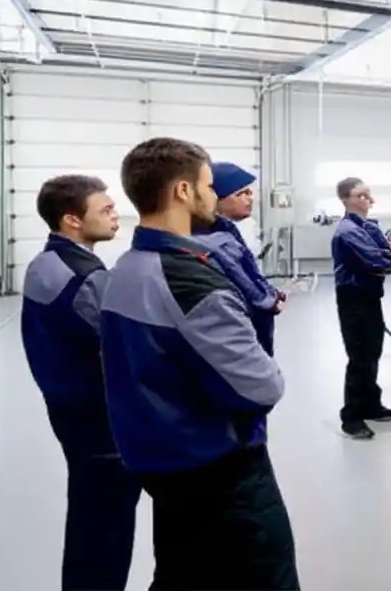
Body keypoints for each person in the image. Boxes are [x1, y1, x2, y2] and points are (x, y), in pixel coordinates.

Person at [99, 137, 299, 589]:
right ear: (183, 192)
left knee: (181, 572)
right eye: (209, 185)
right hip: (220, 471)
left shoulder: (127, 268)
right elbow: (261, 387)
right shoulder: (189, 279)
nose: (215, 195)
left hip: (161, 461)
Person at [20, 175, 141, 591]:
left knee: (89, 514)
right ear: (71, 220)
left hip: (66, 408)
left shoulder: (44, 262)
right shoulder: (88, 278)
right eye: (105, 210)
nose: (115, 216)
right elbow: (124, 348)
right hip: (99, 421)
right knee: (107, 526)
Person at [332, 176, 391, 440]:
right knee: (360, 356)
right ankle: (351, 417)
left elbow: (387, 251)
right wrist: (390, 257)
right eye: (360, 195)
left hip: (369, 297)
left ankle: (371, 405)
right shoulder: (347, 232)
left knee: (373, 351)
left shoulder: (366, 227)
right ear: (346, 200)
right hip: (353, 298)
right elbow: (376, 259)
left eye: (368, 194)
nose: (368, 200)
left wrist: (389, 253)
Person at [193, 161, 284, 355]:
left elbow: (250, 270)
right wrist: (268, 300)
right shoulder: (210, 236)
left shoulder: (232, 227)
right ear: (216, 198)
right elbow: (239, 276)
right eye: (240, 194)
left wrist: (269, 291)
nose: (249, 199)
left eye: (249, 193)